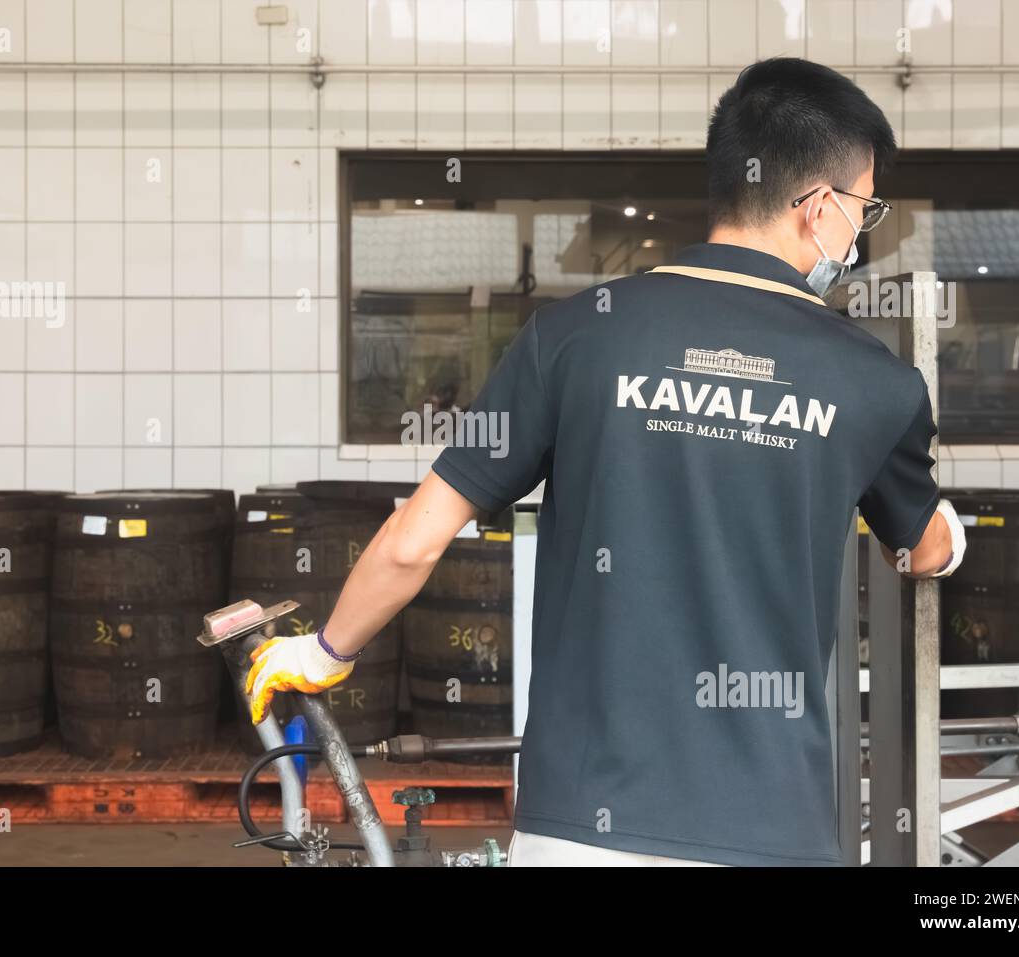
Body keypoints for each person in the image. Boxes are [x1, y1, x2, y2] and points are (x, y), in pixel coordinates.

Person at [244, 58, 967, 867]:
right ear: (820, 207)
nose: (857, 235)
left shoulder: (579, 335)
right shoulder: (874, 382)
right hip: (773, 835)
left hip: (579, 832)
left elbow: (415, 540)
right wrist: (947, 531)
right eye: (863, 212)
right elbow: (923, 548)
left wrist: (323, 652)